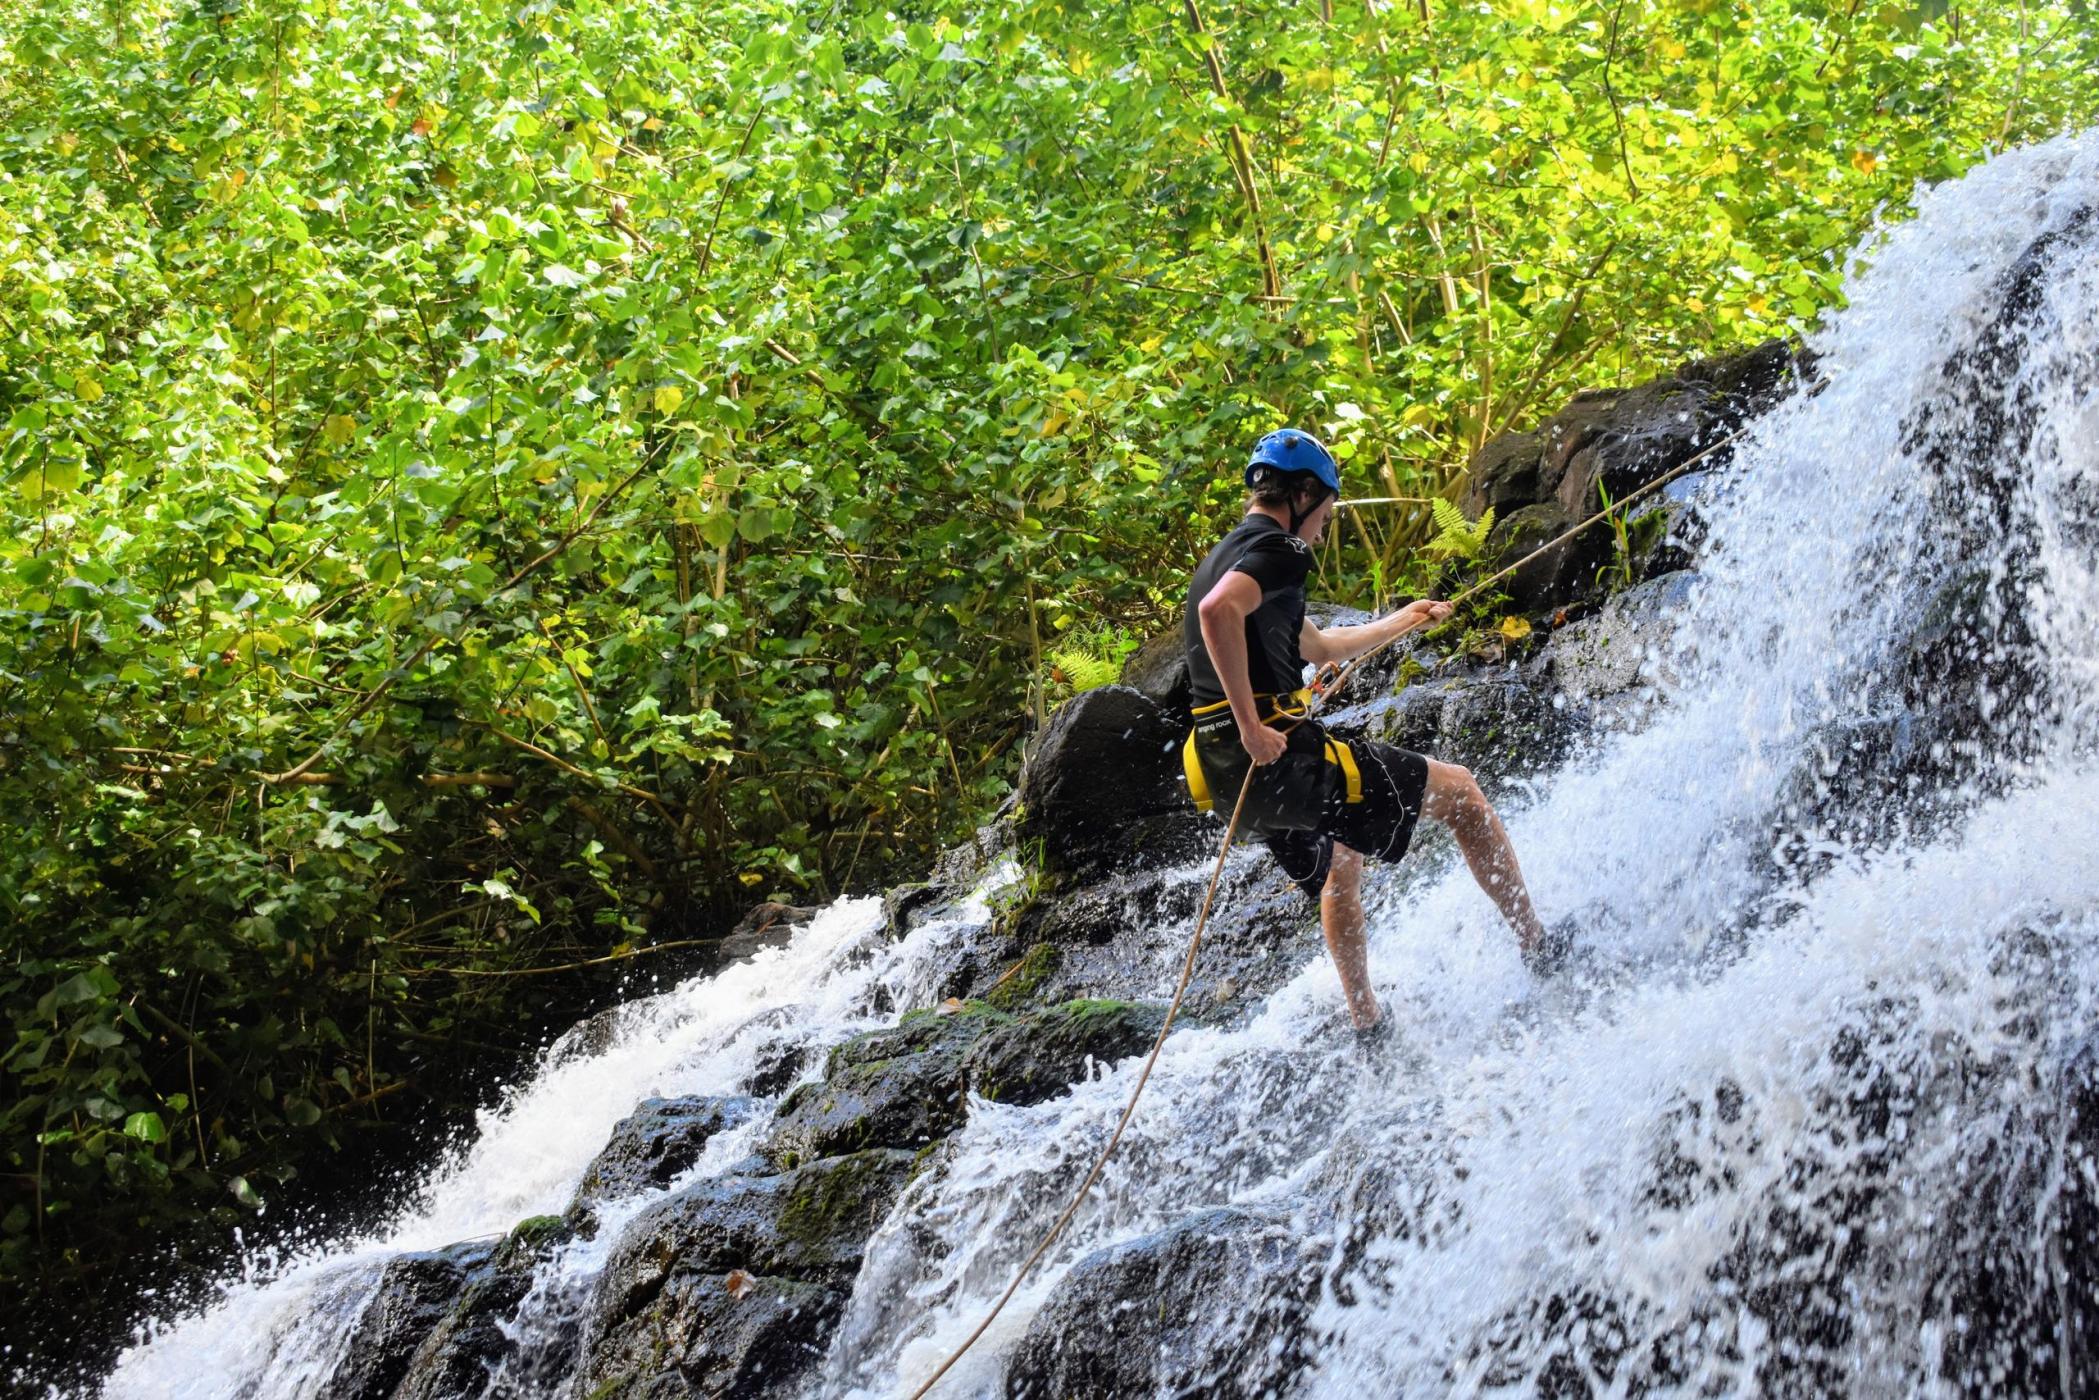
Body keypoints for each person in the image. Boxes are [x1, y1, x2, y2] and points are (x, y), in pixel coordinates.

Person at [1180, 428, 1556, 1037]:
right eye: (1324, 514)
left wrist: (1406, 619)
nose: (1324, 530)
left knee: (1342, 861)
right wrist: (1252, 727)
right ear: (1302, 496)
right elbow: (1216, 613)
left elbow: (1322, 647)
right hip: (1272, 756)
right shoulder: (1282, 550)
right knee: (1464, 795)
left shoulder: (1225, 558)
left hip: (1227, 781)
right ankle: (1541, 950)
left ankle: (1367, 1025)